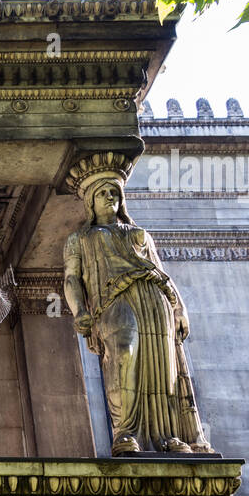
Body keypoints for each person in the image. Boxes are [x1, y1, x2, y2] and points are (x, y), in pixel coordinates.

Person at [63, 152, 212, 456]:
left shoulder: (139, 234)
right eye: (102, 193)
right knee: (124, 353)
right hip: (113, 301)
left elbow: (161, 272)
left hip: (154, 298)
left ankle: (166, 435)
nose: (109, 198)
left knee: (162, 364)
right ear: (90, 201)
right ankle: (125, 432)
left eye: (114, 193)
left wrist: (179, 308)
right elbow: (71, 279)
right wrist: (80, 311)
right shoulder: (80, 238)